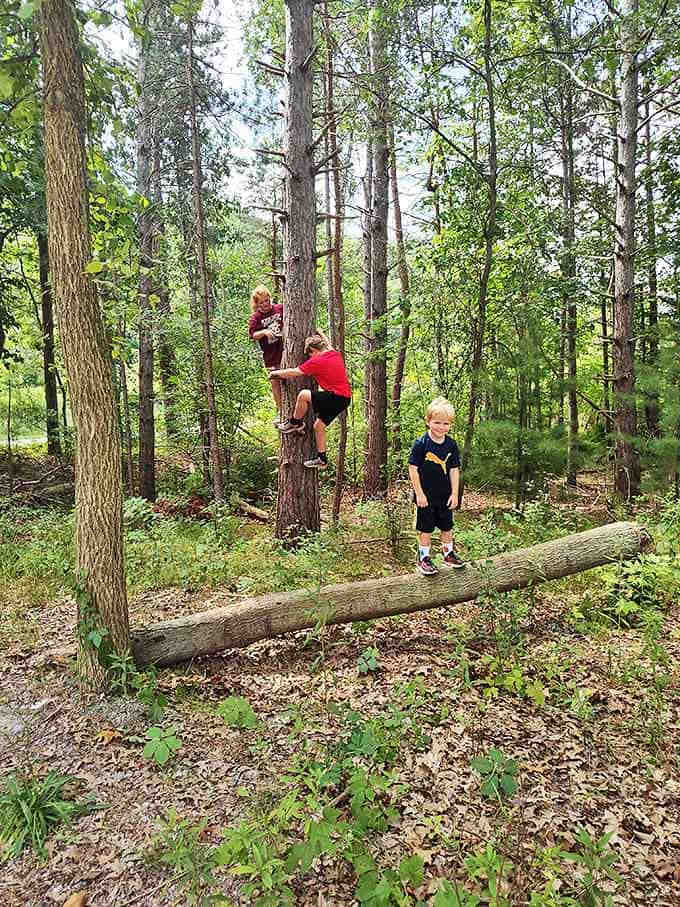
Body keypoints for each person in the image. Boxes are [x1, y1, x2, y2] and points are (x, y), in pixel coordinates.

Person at [269, 331, 351, 469]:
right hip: (344, 399)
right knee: (318, 426)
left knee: (303, 395)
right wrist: (321, 333)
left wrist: (275, 373)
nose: (309, 357)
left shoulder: (317, 361)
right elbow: (328, 344)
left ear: (314, 350)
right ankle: (322, 459)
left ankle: (295, 423)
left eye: (310, 354)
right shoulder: (334, 354)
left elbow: (294, 372)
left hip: (336, 396)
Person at [408, 397, 465, 575]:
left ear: (451, 424)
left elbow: (454, 469)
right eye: (437, 422)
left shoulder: (451, 445)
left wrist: (454, 494)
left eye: (446, 423)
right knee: (426, 528)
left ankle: (448, 554)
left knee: (447, 526)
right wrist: (419, 494)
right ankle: (423, 558)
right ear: (428, 421)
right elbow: (413, 469)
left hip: (445, 495)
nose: (441, 427)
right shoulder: (421, 444)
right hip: (425, 497)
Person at [248, 285, 283, 424]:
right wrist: (264, 332)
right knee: (275, 382)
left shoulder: (280, 308)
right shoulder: (256, 317)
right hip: (270, 356)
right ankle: (281, 411)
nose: (265, 304)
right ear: (257, 304)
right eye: (261, 302)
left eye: (267, 300)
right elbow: (252, 335)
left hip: (285, 350)